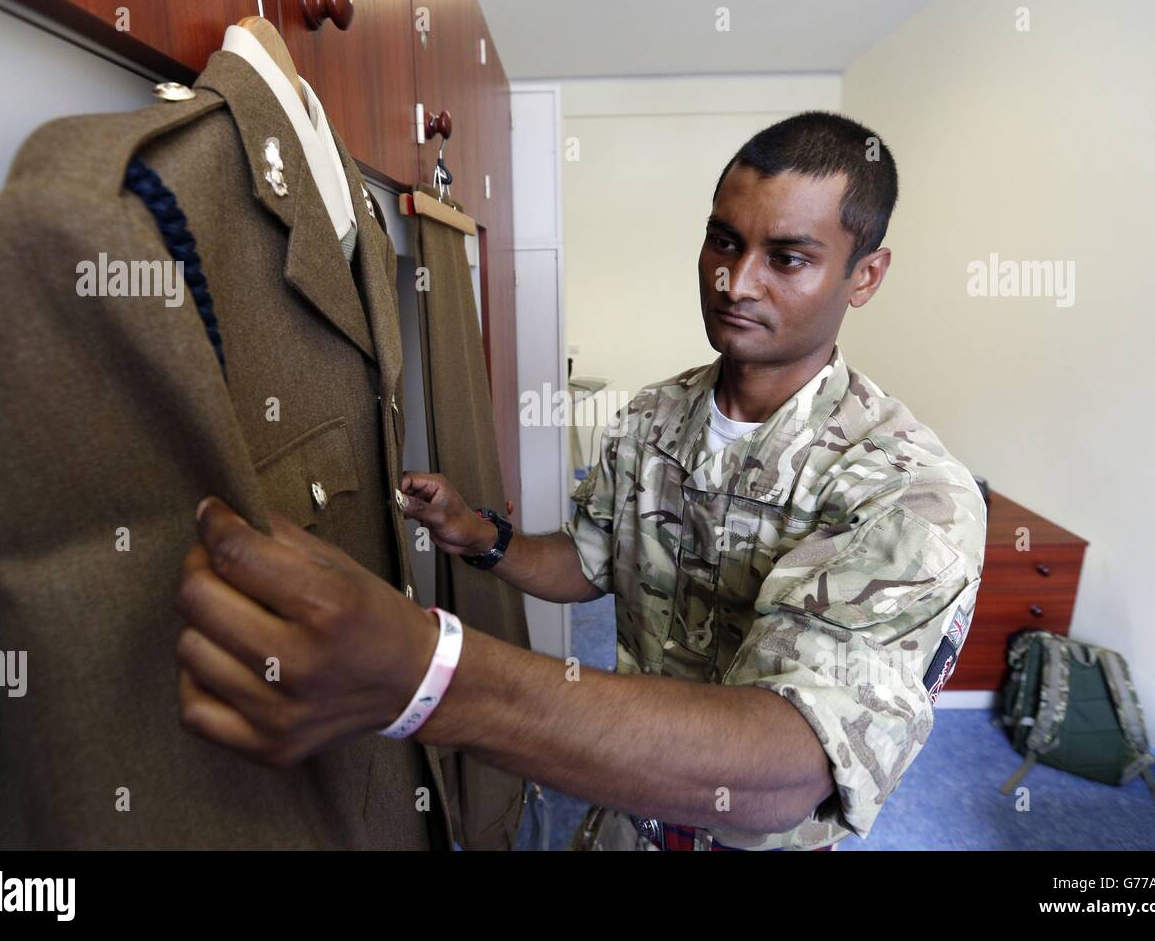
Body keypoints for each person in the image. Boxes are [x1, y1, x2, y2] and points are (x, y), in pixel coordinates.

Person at [174, 111, 987, 851]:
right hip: (618, 823)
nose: (735, 283)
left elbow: (793, 758)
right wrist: (482, 537)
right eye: (724, 242)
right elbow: (591, 558)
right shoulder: (652, 416)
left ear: (866, 275)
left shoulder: (909, 491)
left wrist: (432, 677)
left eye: (788, 258)